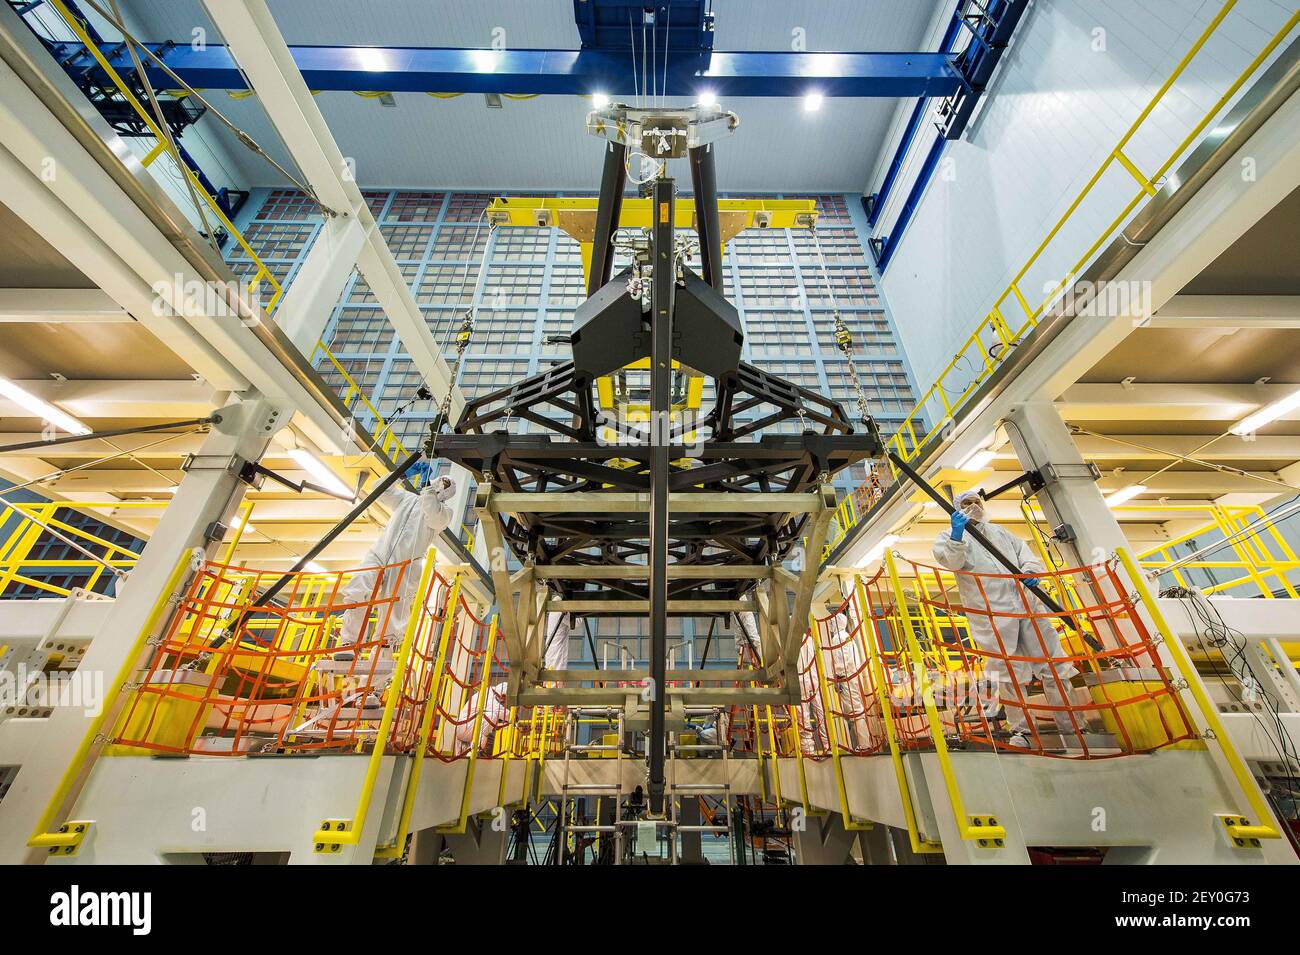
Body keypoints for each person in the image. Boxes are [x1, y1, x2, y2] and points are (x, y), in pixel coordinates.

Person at [932, 489, 1078, 749]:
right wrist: (957, 535)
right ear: (956, 509)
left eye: (977, 501)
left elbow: (1026, 555)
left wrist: (1031, 572)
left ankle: (1074, 728)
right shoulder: (949, 537)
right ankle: (1023, 732)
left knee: (1054, 666)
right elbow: (953, 563)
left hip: (1028, 606)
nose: (974, 506)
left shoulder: (1001, 533)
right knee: (1009, 676)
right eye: (967, 503)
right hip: (993, 616)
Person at [337, 460, 457, 647]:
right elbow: (379, 489)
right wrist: (401, 474)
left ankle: (381, 655)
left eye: (445, 486)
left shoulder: (444, 512)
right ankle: (349, 643)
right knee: (358, 589)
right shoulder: (407, 498)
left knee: (393, 610)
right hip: (379, 554)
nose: (440, 485)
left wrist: (428, 490)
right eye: (440, 481)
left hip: (406, 563)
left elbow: (432, 513)